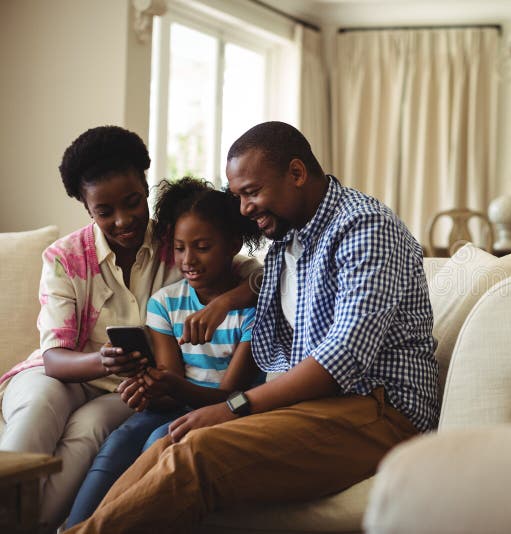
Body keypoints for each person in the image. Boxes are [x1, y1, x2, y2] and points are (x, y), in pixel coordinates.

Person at [68, 121, 439, 533]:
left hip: (381, 409)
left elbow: (341, 358)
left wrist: (233, 407)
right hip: (326, 407)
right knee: (175, 440)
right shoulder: (292, 236)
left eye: (251, 192)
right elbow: (269, 281)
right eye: (238, 196)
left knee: (197, 454)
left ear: (296, 174)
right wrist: (228, 300)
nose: (244, 209)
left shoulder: (364, 228)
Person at [0, 126, 262, 532]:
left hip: (131, 387)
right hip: (63, 372)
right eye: (105, 212)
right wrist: (102, 359)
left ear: (145, 187)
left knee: (90, 432)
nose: (123, 220)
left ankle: (38, 526)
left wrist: (227, 302)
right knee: (36, 412)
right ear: (87, 208)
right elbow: (53, 357)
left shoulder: (177, 242)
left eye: (133, 202)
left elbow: (256, 277)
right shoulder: (65, 258)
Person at [66, 177, 264, 527]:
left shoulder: (250, 308)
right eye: (180, 247)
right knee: (118, 441)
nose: (189, 260)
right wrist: (151, 388)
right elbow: (171, 380)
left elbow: (229, 395)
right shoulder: (166, 303)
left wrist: (170, 387)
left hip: (223, 408)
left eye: (202, 246)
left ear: (233, 244)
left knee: (160, 440)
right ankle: (72, 526)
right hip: (180, 401)